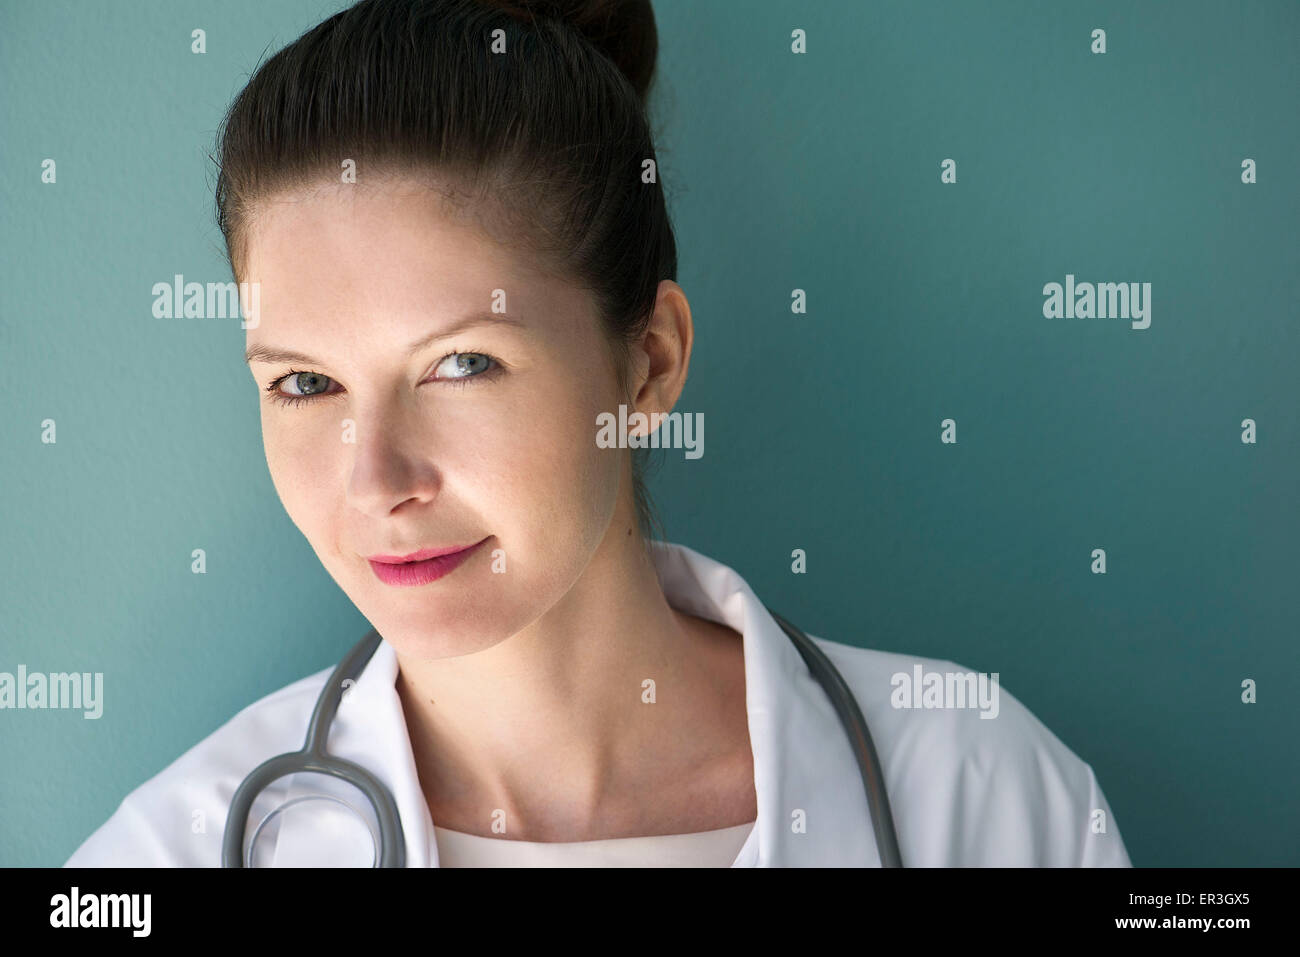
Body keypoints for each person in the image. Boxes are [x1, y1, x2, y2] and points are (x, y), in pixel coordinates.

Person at [65, 0, 1131, 867]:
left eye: (462, 364)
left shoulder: (984, 798)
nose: (373, 479)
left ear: (649, 362)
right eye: (305, 383)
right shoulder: (166, 857)